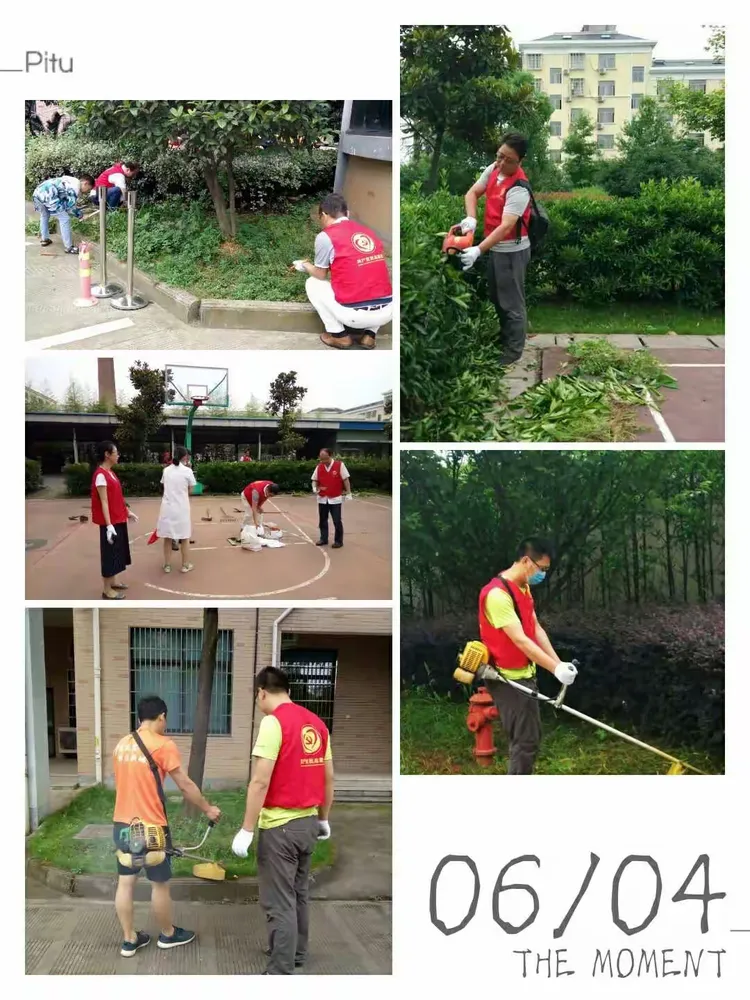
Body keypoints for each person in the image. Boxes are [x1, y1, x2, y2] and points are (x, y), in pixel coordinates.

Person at [231, 667, 334, 975]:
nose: (257, 702)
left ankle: (279, 970)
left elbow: (259, 782)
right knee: (299, 894)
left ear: (262, 691)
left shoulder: (273, 723)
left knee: (280, 902)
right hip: (308, 825)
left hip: (280, 829)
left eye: (256, 697)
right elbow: (328, 778)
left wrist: (246, 830)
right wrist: (324, 819)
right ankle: (295, 954)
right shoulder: (317, 724)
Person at [112, 695, 222, 958]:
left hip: (123, 824)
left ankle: (129, 940)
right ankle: (168, 934)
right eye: (165, 719)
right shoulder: (163, 745)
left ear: (139, 718)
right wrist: (208, 809)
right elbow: (184, 784)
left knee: (125, 883)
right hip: (152, 828)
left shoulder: (121, 745)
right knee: (159, 884)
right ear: (161, 716)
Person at [478, 537, 578, 775]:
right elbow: (520, 639)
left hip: (524, 674)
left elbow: (535, 628)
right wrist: (554, 670)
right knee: (525, 743)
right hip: (506, 678)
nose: (543, 574)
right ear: (526, 560)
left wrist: (557, 663)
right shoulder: (497, 595)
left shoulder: (523, 587)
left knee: (529, 739)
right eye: (541, 569)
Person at [457, 133, 534, 367]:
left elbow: (507, 225)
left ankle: (514, 351)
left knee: (512, 302)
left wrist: (478, 250)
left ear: (520, 161)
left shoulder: (520, 188)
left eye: (507, 159)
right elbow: (471, 193)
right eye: (499, 156)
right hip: (496, 247)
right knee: (498, 298)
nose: (500, 163)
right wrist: (471, 217)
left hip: (512, 250)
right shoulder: (492, 169)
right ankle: (506, 339)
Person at [292, 193, 392, 351]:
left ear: (324, 215)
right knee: (375, 278)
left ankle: (339, 336)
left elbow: (320, 274)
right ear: (348, 214)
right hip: (388, 312)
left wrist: (305, 265)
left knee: (313, 283)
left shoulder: (326, 236)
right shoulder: (369, 232)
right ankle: (369, 336)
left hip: (353, 316)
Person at [91, 441, 138, 600]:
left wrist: (127, 512)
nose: (118, 455)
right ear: (107, 454)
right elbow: (103, 501)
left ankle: (114, 581)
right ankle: (106, 589)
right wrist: (109, 525)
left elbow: (117, 497)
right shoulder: (100, 475)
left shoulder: (110, 472)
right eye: (115, 452)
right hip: (110, 523)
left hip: (118, 518)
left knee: (118, 552)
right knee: (109, 554)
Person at [155, 446, 198, 574]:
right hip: (181, 508)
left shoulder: (166, 470)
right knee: (184, 537)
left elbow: (164, 486)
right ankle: (185, 565)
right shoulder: (187, 471)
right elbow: (191, 490)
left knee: (167, 537)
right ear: (185, 457)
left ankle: (167, 565)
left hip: (167, 508)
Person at [32, 173, 95, 253]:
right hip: (48, 195)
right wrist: (80, 215)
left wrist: (73, 209)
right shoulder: (75, 186)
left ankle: (44, 239)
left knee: (45, 215)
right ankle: (69, 247)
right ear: (85, 183)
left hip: (37, 194)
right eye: (88, 189)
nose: (87, 192)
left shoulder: (70, 181)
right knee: (65, 218)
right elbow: (70, 207)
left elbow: (65, 202)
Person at [311, 448, 351, 549]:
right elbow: (314, 479)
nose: (323, 461)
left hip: (335, 498)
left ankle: (338, 541)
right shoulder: (319, 467)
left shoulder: (339, 465)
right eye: (321, 459)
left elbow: (345, 479)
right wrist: (314, 488)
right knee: (323, 520)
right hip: (322, 498)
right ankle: (323, 539)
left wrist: (348, 492)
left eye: (325, 458)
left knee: (337, 520)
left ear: (330, 456)